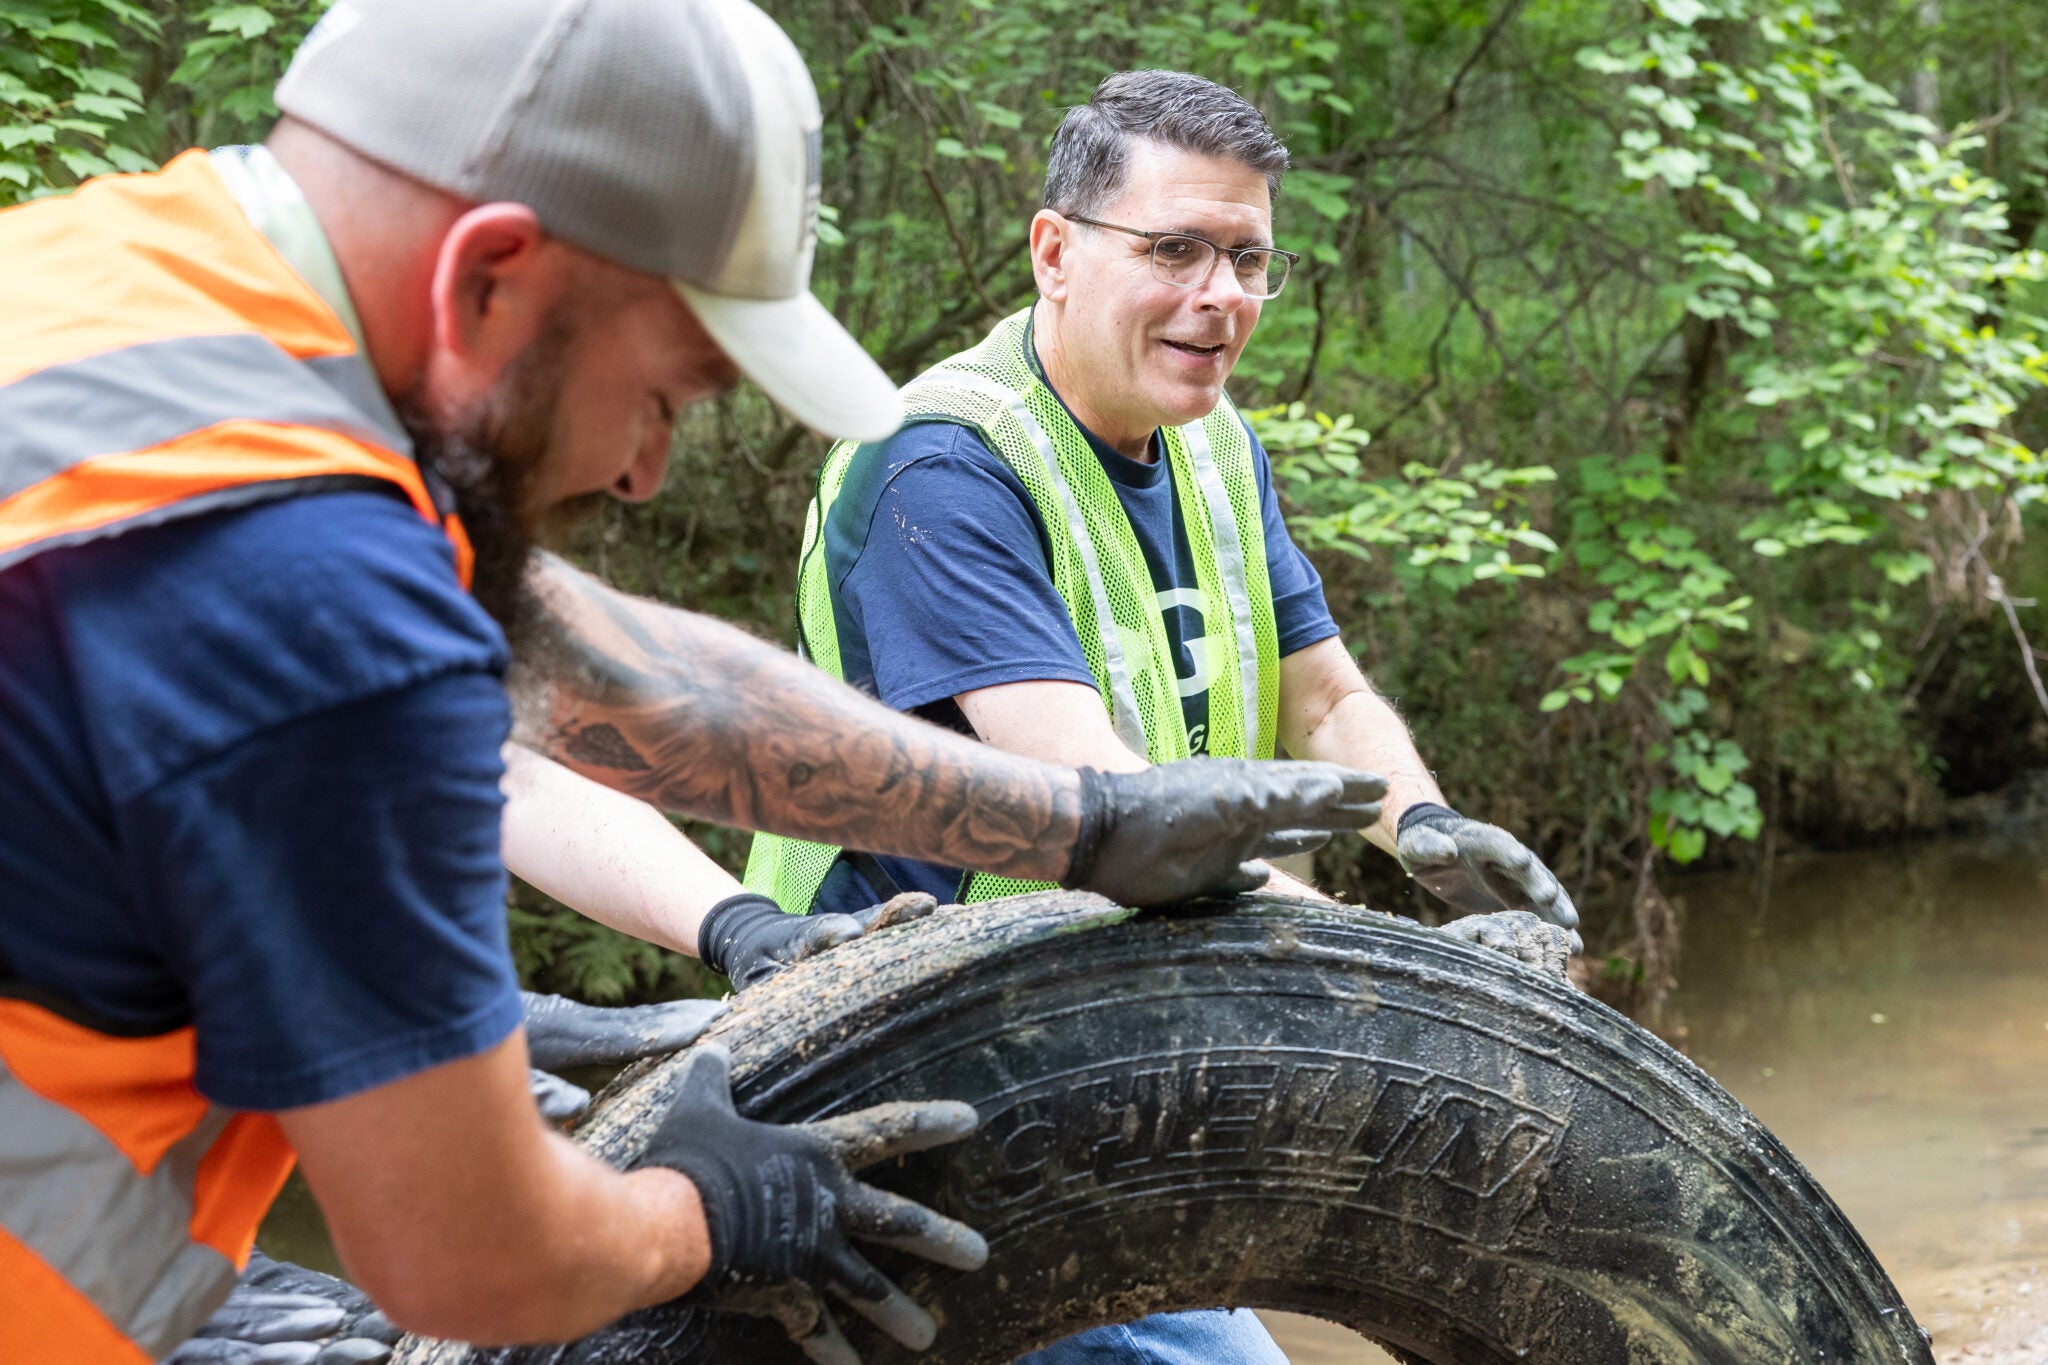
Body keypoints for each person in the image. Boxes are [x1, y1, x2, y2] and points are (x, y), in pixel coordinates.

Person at [0, 4, 1390, 1361]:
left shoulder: (138, 289)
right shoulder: (303, 582)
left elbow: (609, 666)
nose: (644, 469)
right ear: (490, 276)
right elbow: (477, 1252)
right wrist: (713, 1208)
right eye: (668, 391)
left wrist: (1080, 825)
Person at [743, 70, 1582, 1363]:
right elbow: (1107, 810)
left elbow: (1325, 691)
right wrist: (1421, 990)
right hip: (918, 1066)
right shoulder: (937, 465)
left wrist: (1421, 822)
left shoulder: (1212, 440)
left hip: (1109, 1026)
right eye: (1175, 250)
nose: (1222, 296)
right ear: (1055, 251)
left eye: (1247, 258)